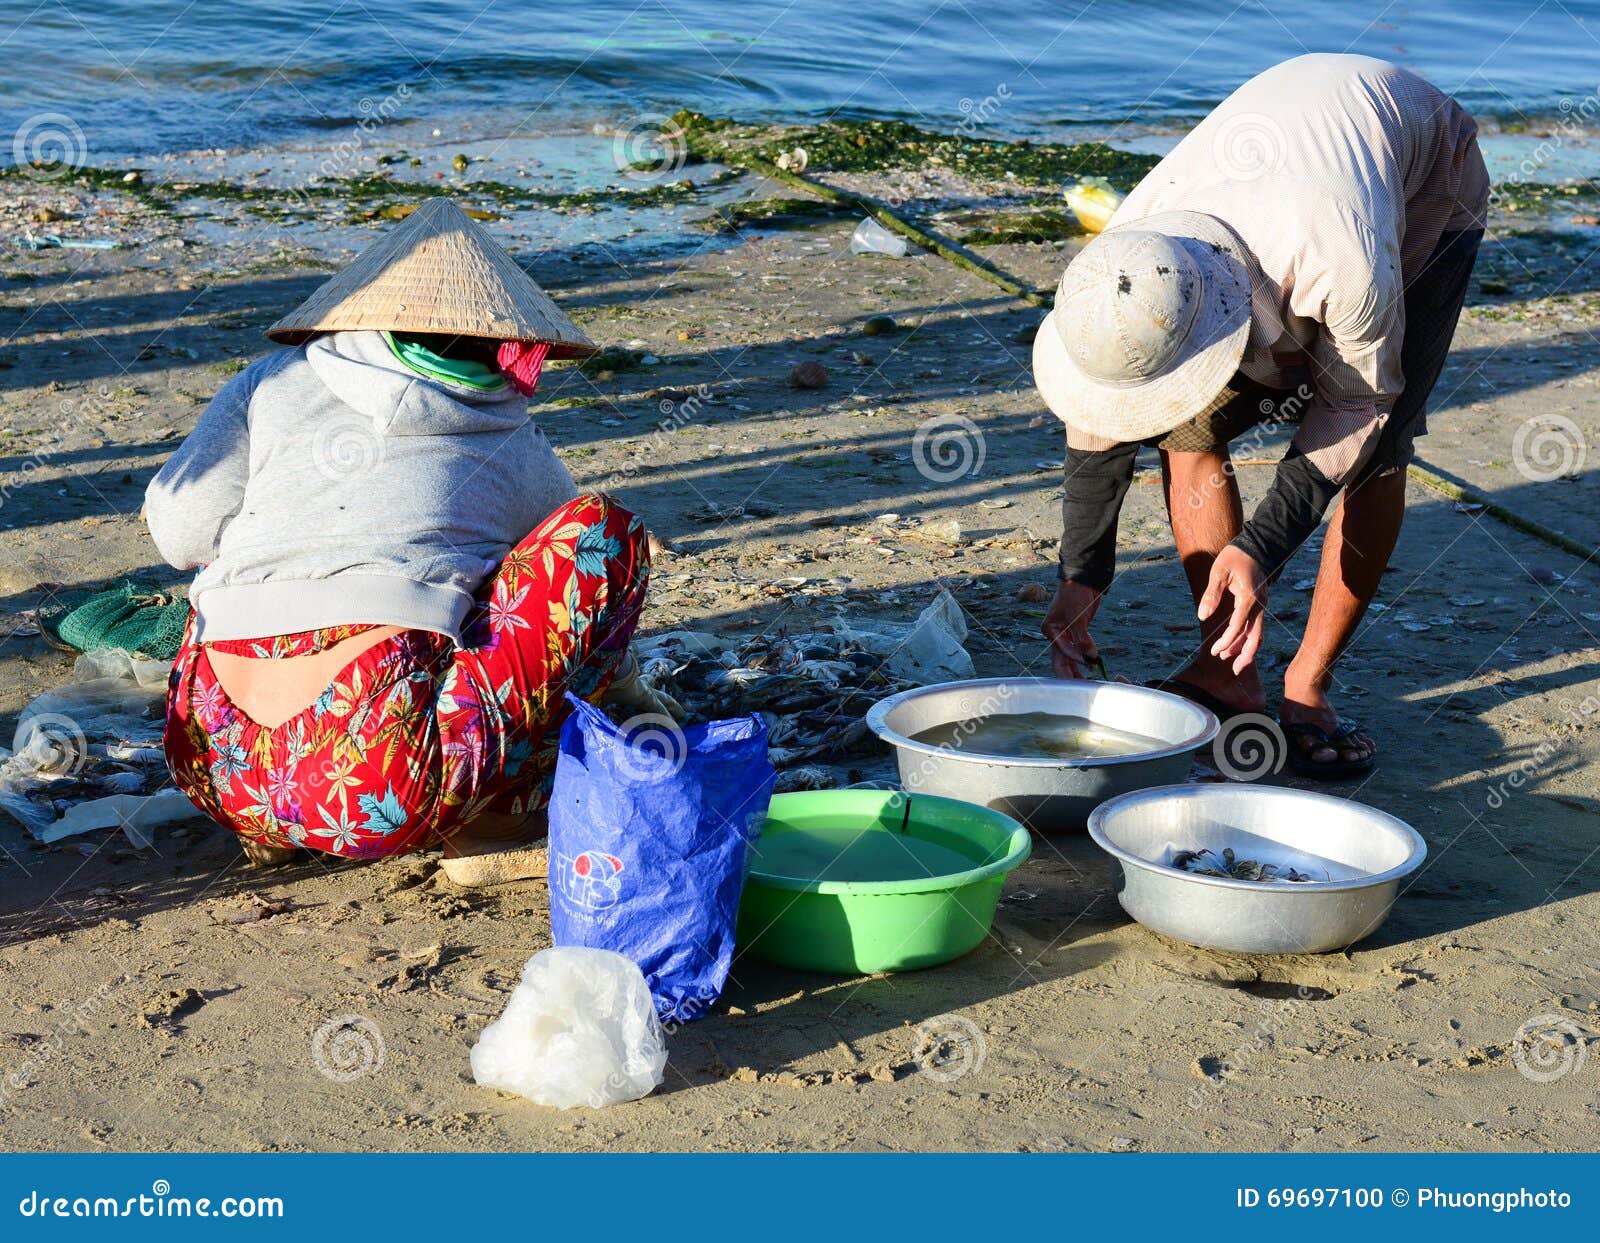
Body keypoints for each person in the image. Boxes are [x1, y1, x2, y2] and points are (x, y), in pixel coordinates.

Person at [147, 198, 673, 884]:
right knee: (604, 532)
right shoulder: (511, 437)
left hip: (214, 761)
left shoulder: (268, 382)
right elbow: (565, 610)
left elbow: (179, 530)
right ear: (509, 343)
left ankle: (269, 822)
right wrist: (628, 691)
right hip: (380, 780)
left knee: (236, 552)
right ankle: (496, 824)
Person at [1033, 54, 1488, 777]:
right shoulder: (1128, 257)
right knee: (1189, 428)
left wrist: (1261, 545)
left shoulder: (1346, 269)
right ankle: (1229, 675)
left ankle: (1307, 685)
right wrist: (1081, 575)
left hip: (1427, 179)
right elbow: (1100, 421)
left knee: (1380, 452)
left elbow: (1356, 409)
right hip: (1275, 176)